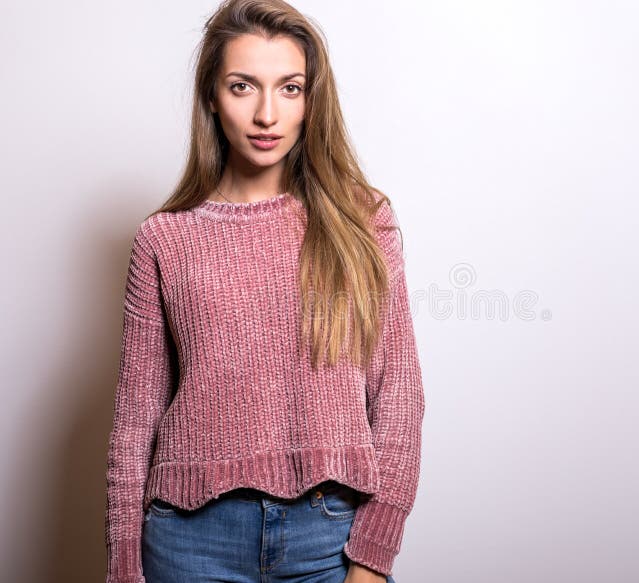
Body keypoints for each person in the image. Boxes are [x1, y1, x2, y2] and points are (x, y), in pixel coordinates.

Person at [103, 1, 425, 582]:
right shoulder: (164, 238)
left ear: (311, 101)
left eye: (291, 88)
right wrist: (124, 568)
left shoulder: (362, 221)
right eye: (243, 86)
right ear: (211, 97)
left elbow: (398, 390)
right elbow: (136, 417)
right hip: (189, 542)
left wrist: (373, 556)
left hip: (329, 536)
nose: (267, 113)